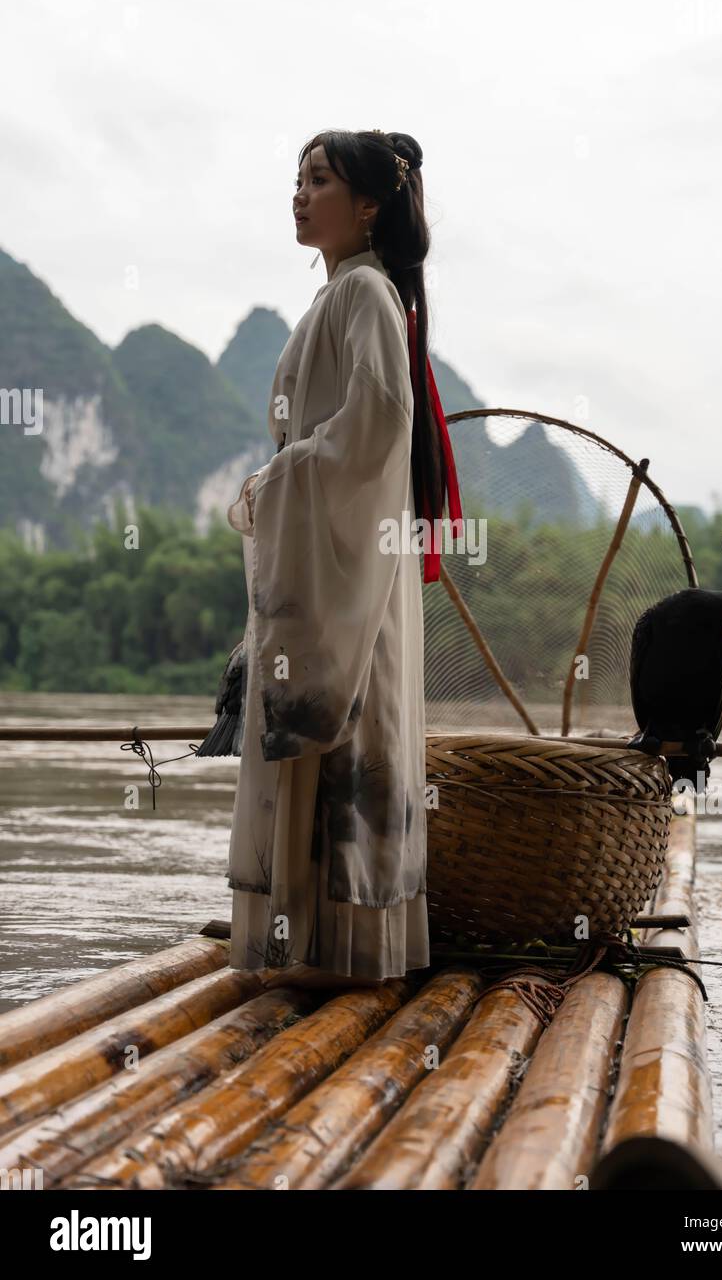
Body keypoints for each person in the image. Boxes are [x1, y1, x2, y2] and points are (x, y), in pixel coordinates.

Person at [223, 129, 461, 990]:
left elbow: (377, 424)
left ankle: (338, 963)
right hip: (331, 562)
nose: (299, 192)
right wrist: (289, 477)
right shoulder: (345, 298)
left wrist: (281, 474)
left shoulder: (363, 290)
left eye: (318, 180)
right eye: (297, 178)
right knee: (327, 742)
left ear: (368, 206)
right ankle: (320, 950)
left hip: (349, 571)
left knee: (344, 739)